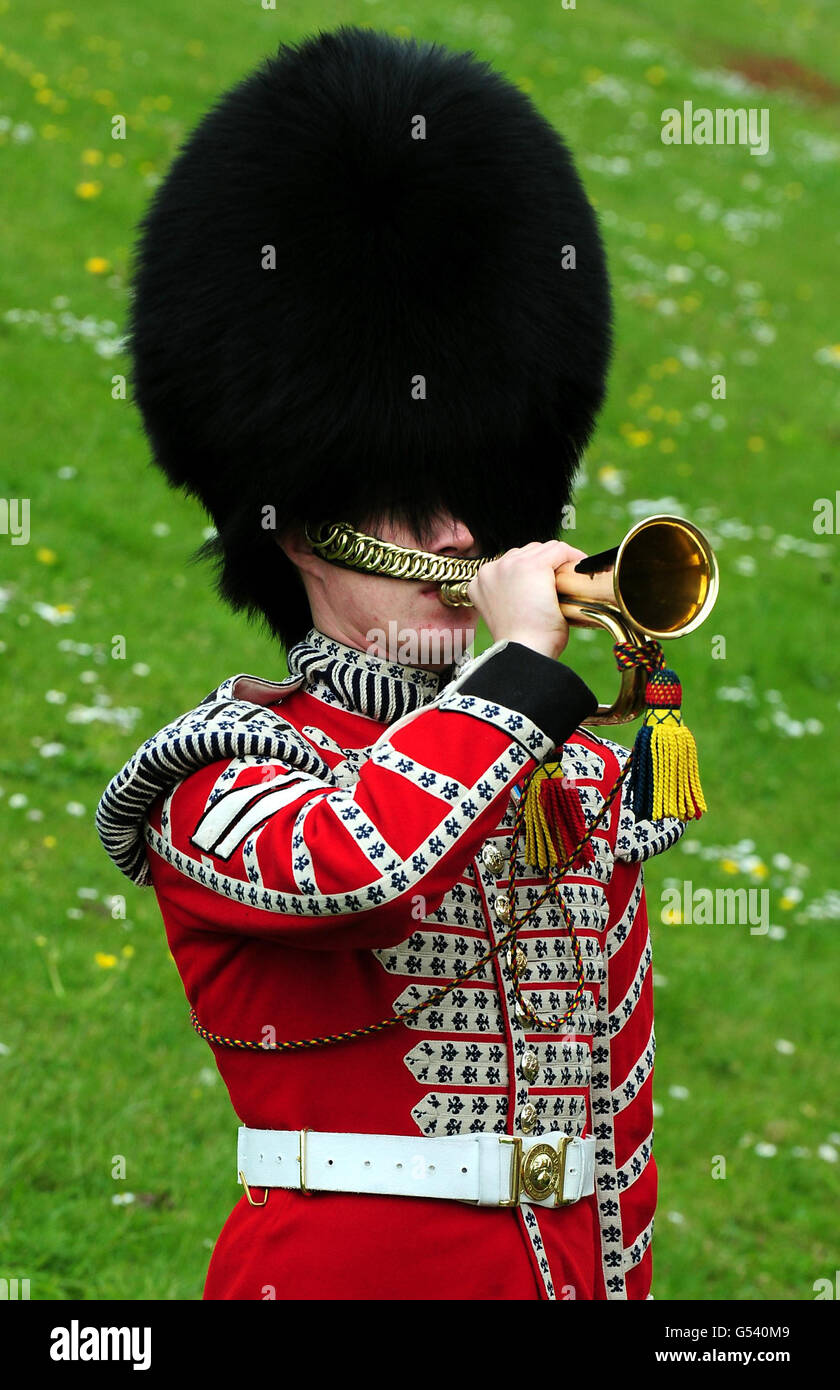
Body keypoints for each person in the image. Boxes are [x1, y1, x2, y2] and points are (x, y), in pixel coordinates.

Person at [96, 25, 685, 1300]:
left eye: (473, 499)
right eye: (416, 510)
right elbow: (363, 867)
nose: (461, 537)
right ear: (306, 531)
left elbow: (612, 1074)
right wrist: (522, 669)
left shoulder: (549, 769)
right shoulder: (222, 779)